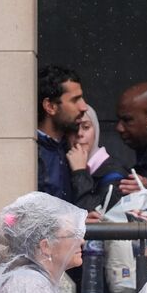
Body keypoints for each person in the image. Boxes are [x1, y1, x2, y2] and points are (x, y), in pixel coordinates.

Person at [37, 65, 88, 203]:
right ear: (50, 107)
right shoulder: (32, 154)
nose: (84, 107)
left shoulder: (69, 149)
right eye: (75, 100)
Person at [67, 104, 127, 213]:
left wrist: (80, 173)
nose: (80, 134)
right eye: (74, 128)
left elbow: (95, 217)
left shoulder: (114, 173)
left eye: (86, 127)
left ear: (96, 131)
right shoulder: (64, 165)